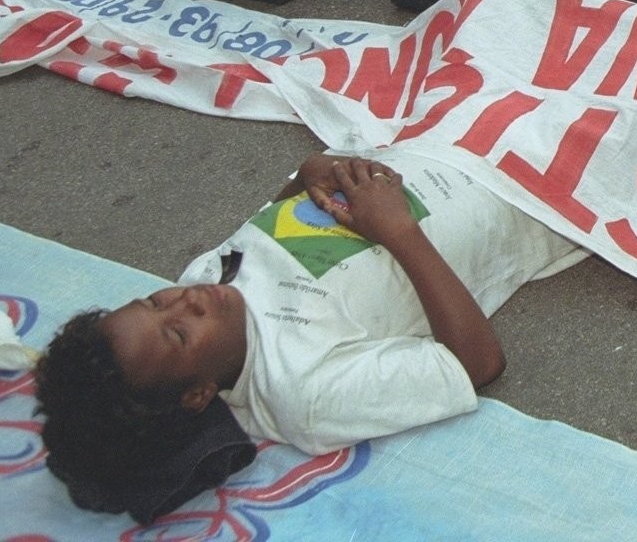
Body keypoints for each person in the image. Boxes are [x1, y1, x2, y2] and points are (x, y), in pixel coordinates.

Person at [33, 147, 585, 514]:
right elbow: (477, 364)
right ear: (199, 394)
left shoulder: (203, 281)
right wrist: (396, 230)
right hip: (530, 183)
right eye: (177, 334)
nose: (184, 300)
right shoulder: (305, 394)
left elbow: (277, 231)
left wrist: (305, 177)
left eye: (153, 301)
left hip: (438, 142)